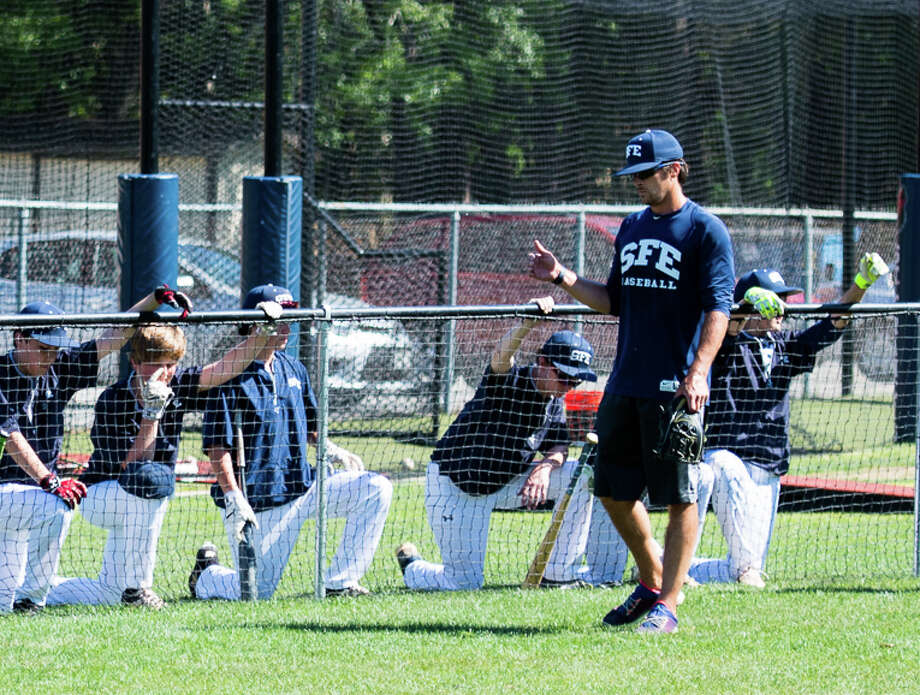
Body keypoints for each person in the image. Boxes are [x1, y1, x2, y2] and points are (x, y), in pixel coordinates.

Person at [529, 128, 735, 633]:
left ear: (675, 169)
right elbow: (613, 301)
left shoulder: (705, 231)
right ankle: (651, 581)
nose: (636, 183)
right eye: (631, 176)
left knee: (680, 496)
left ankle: (670, 602)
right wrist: (562, 277)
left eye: (644, 174)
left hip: (675, 387)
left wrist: (699, 371)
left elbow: (719, 308)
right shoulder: (632, 226)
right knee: (613, 491)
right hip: (625, 383)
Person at [47, 302, 278, 609]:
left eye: (170, 364)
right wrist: (151, 414)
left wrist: (263, 330)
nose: (162, 372)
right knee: (151, 480)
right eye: (153, 363)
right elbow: (133, 468)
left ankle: (39, 588)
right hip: (103, 494)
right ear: (134, 361)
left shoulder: (178, 383)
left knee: (109, 594)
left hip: (145, 496)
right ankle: (141, 588)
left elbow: (224, 368)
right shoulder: (112, 399)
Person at [689, 253, 889, 588]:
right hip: (729, 454)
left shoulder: (786, 345)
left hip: (769, 463)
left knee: (747, 566)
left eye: (784, 300)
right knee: (722, 469)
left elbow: (830, 326)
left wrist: (860, 286)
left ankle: (663, 564)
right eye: (775, 299)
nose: (782, 308)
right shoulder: (724, 342)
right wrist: (742, 307)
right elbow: (724, 327)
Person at [189, 284, 391, 601]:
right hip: (261, 499)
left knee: (375, 488)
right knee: (255, 593)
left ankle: (340, 583)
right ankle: (207, 575)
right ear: (254, 324)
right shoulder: (228, 375)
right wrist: (233, 497)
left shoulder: (293, 367)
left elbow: (309, 426)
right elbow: (218, 447)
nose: (286, 328)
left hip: (304, 484)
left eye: (289, 319)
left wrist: (331, 448)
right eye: (278, 320)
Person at [0, 287, 189, 614]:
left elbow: (113, 336)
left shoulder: (58, 367)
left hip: (30, 496)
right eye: (44, 348)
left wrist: (155, 298)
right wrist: (50, 480)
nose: (51, 357)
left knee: (5, 598)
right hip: (7, 492)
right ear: (19, 338)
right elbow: (11, 436)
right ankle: (30, 601)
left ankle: (25, 596)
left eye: (56, 349)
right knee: (56, 506)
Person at [394, 297, 598, 591]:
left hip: (507, 481)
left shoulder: (556, 399)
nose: (569, 386)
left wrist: (545, 467)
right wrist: (528, 322)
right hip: (459, 486)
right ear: (542, 362)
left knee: (582, 475)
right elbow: (502, 356)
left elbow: (559, 447)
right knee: (463, 583)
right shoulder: (507, 382)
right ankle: (413, 566)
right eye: (564, 376)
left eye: (576, 381)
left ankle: (557, 574)